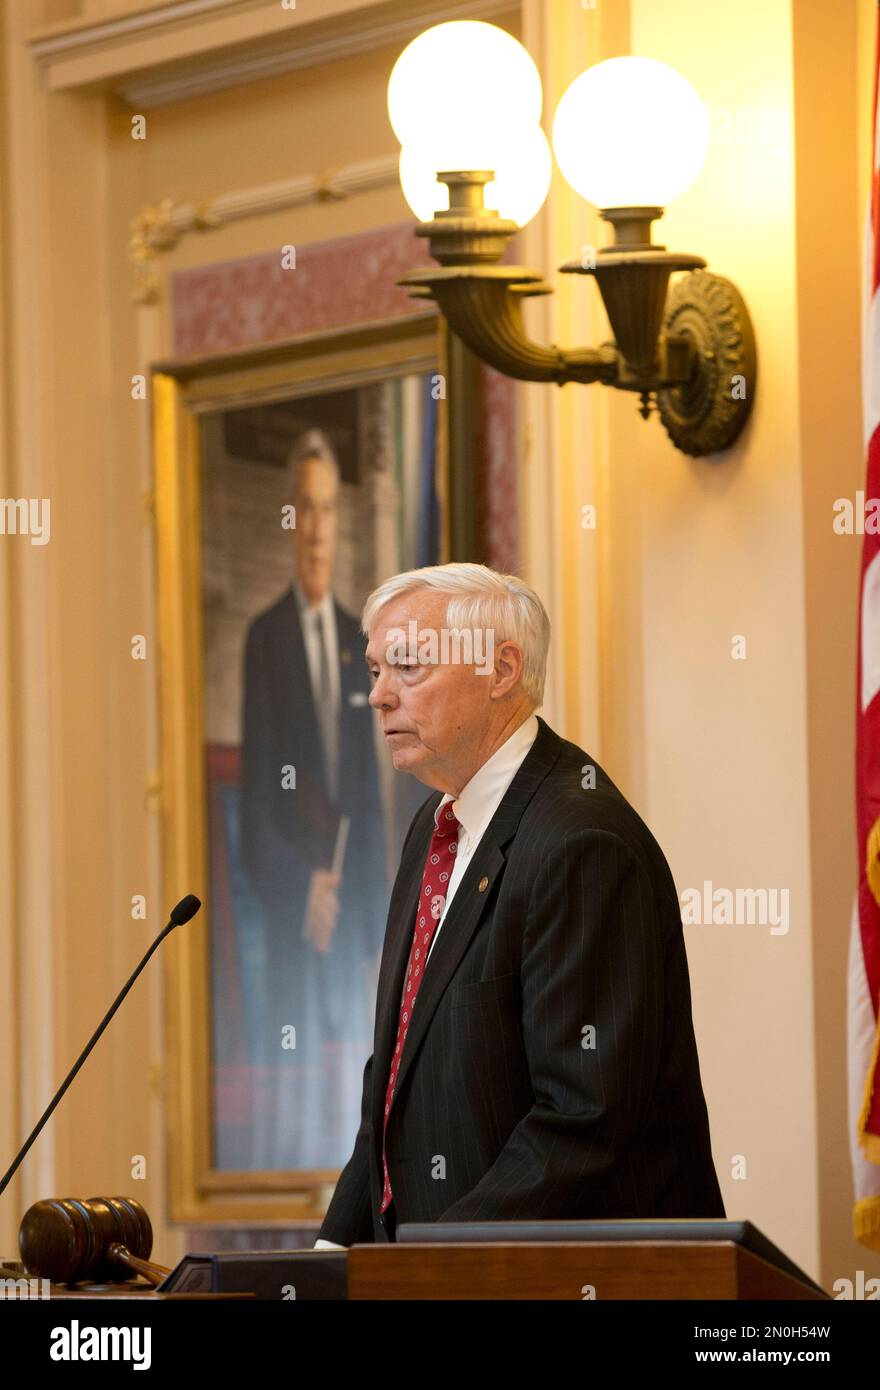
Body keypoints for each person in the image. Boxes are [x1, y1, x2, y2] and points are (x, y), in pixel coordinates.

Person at [316, 560, 724, 1244]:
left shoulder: (582, 840)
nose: (380, 696)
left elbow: (584, 1116)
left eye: (408, 667)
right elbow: (392, 1083)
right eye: (374, 671)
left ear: (501, 670)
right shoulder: (435, 825)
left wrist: (425, 1265)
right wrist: (332, 1253)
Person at [240, 428, 386, 1168]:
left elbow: (369, 800)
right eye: (305, 507)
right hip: (297, 919)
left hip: (354, 921)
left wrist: (366, 923)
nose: (318, 526)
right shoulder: (264, 641)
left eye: (329, 509)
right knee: (298, 1120)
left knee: (361, 1112)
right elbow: (259, 799)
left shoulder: (361, 638)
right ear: (290, 520)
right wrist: (306, 889)